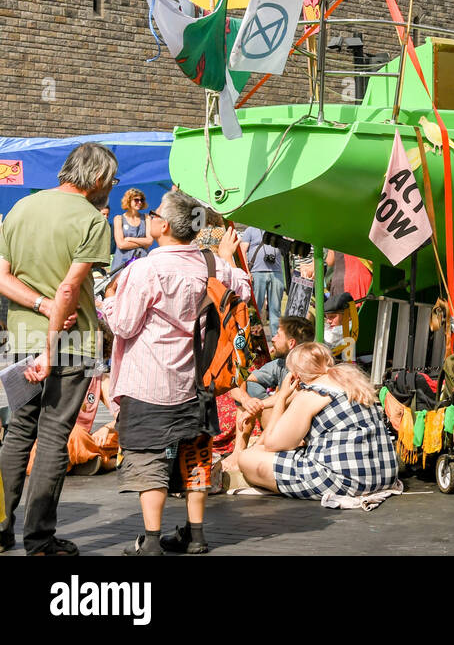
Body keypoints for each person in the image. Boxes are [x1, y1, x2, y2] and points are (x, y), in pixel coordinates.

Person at [99, 190, 250, 556]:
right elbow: (243, 290)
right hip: (200, 382)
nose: (149, 217)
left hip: (149, 382)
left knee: (148, 456)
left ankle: (151, 541)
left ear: (163, 225)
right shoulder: (211, 265)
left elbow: (123, 324)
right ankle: (195, 534)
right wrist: (226, 259)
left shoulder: (145, 269)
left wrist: (106, 302)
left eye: (153, 213)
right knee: (196, 452)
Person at [0, 142, 117, 556]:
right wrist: (53, 338)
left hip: (22, 338)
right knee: (52, 439)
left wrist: (38, 304)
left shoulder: (21, 209)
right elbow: (69, 287)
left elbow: (2, 277)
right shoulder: (91, 219)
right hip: (68, 343)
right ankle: (39, 538)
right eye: (112, 180)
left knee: (17, 433)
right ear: (99, 179)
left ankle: (1, 526)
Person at [235, 343, 399, 499]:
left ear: (295, 376)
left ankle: (283, 486)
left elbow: (273, 444)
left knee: (247, 458)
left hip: (347, 482)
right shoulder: (351, 382)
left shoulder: (312, 393)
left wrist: (282, 396)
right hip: (384, 475)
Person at [240, 226, 285, 338]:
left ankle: (276, 338)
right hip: (257, 272)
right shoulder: (250, 229)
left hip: (277, 272)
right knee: (256, 308)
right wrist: (246, 271)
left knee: (276, 309)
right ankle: (254, 338)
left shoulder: (279, 228)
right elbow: (242, 250)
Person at [111, 189, 152, 272]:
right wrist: (142, 243)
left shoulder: (147, 218)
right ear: (128, 200)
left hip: (142, 261)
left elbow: (149, 242)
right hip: (122, 262)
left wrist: (130, 239)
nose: (139, 202)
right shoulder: (119, 219)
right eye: (136, 200)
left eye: (141, 200)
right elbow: (121, 244)